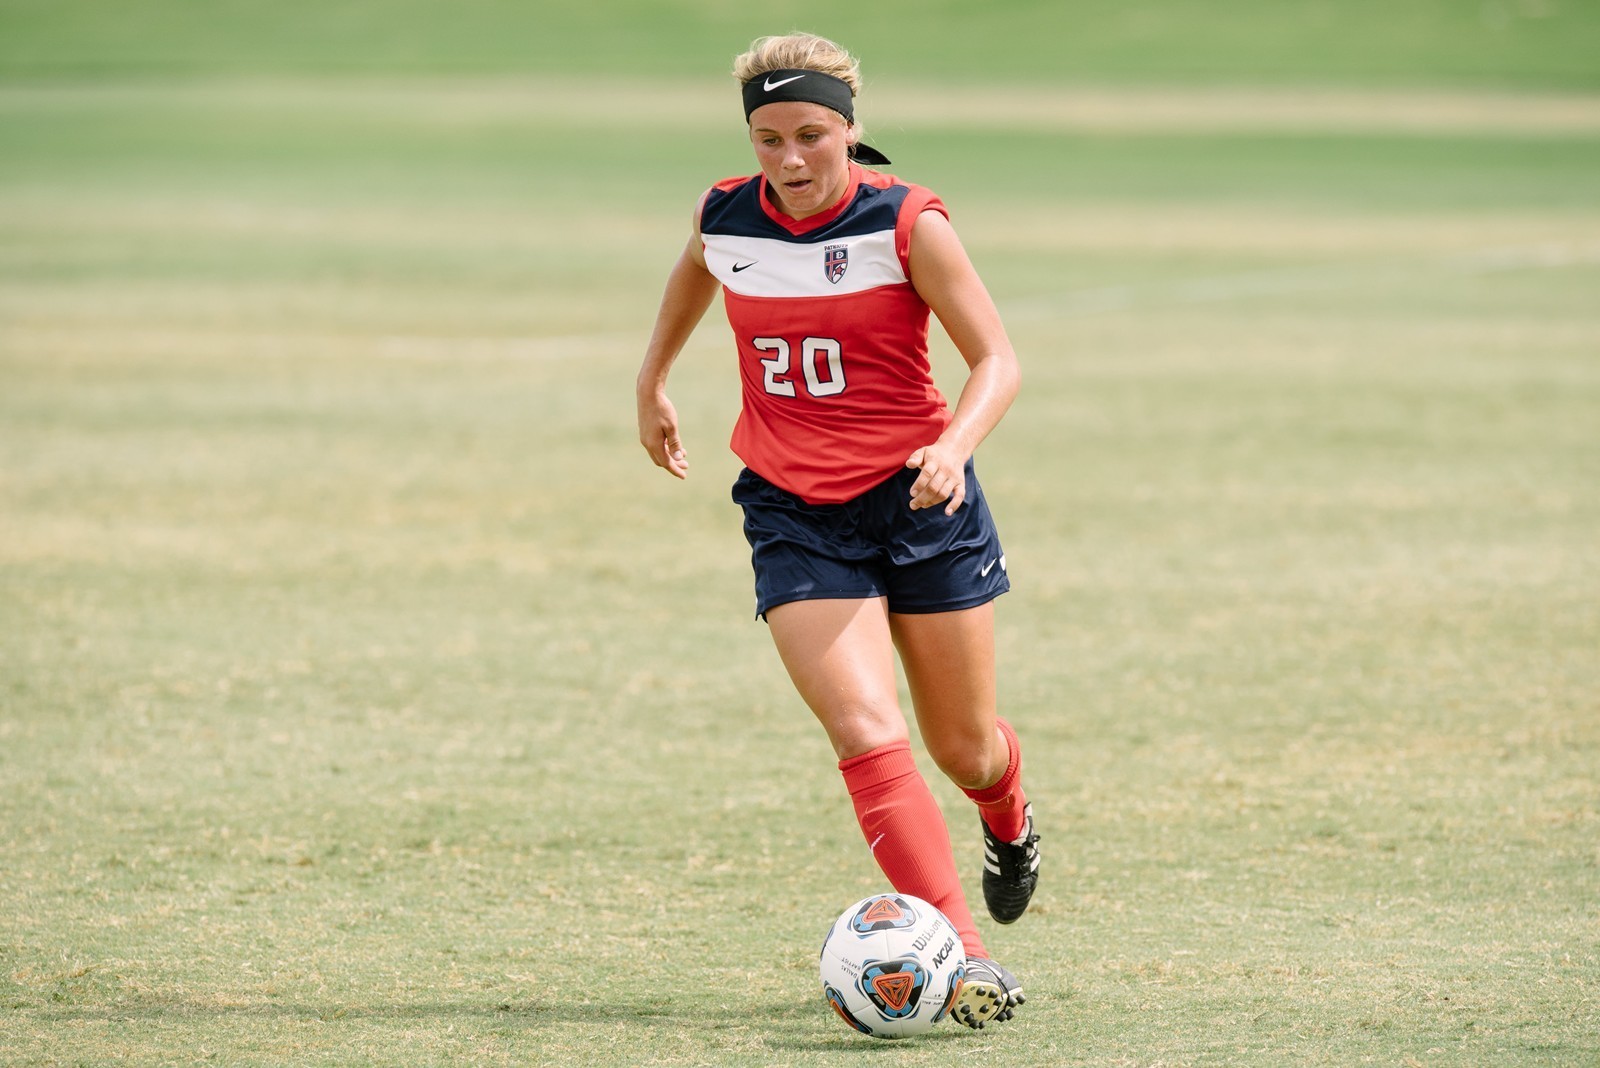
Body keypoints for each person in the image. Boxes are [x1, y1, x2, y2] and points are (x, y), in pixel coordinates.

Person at [635, 32, 1039, 1030]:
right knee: (863, 727)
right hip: (792, 509)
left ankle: (1009, 817)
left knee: (964, 747)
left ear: (850, 130)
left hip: (919, 500)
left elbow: (996, 361)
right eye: (767, 137)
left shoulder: (907, 224)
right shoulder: (725, 212)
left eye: (811, 135)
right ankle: (967, 957)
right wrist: (653, 378)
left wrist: (952, 444)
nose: (789, 159)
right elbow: (701, 267)